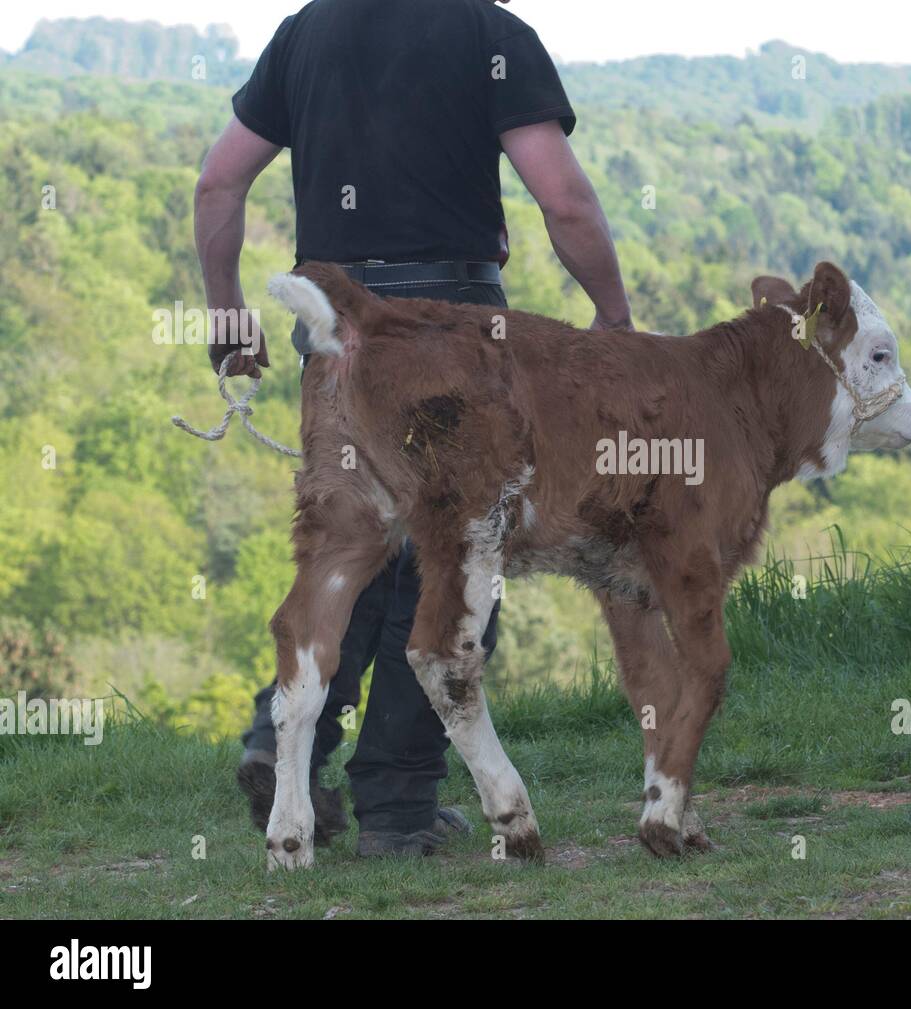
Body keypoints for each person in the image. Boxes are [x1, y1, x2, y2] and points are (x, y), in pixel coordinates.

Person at [193, 0, 632, 855]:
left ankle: (283, 736)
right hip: (448, 333)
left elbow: (218, 181)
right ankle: (395, 814)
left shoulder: (305, 33)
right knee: (452, 558)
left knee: (352, 546)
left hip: (333, 327)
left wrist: (225, 314)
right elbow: (565, 199)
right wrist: (611, 315)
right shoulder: (488, 33)